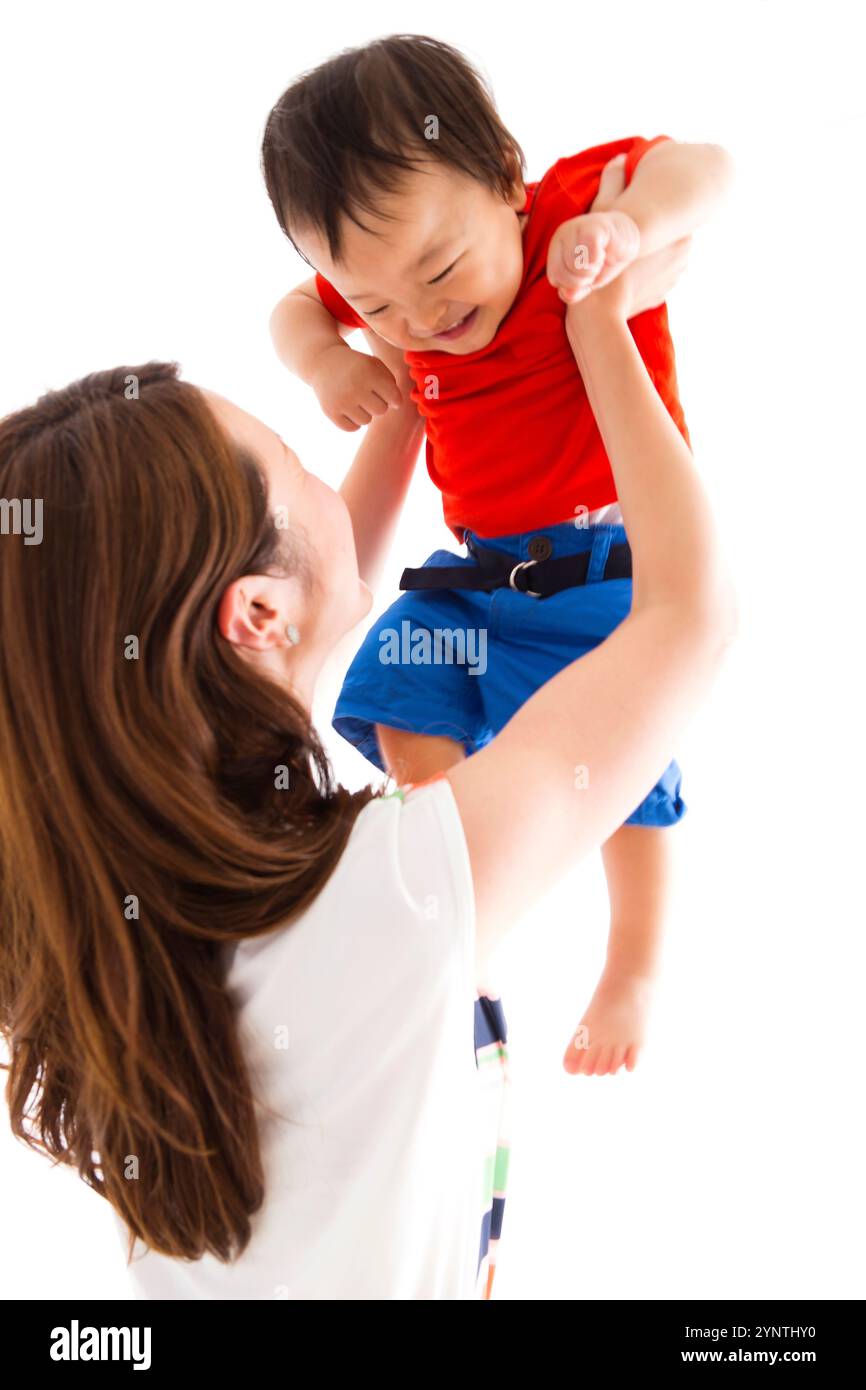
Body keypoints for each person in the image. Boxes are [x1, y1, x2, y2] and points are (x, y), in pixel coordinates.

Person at [0, 233, 734, 1298]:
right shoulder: (391, 894)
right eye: (297, 463)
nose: (322, 479)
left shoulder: (113, 928)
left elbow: (311, 586)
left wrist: (416, 388)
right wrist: (599, 329)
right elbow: (687, 613)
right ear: (251, 612)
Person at [264, 33, 735, 1080]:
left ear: (505, 178)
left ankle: (633, 963)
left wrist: (626, 227)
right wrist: (327, 360)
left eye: (439, 271)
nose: (421, 319)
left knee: (626, 773)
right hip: (479, 579)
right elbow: (291, 310)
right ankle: (450, 873)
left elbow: (705, 167)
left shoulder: (569, 217)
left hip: (603, 569)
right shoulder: (386, 295)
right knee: (397, 668)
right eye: (378, 303)